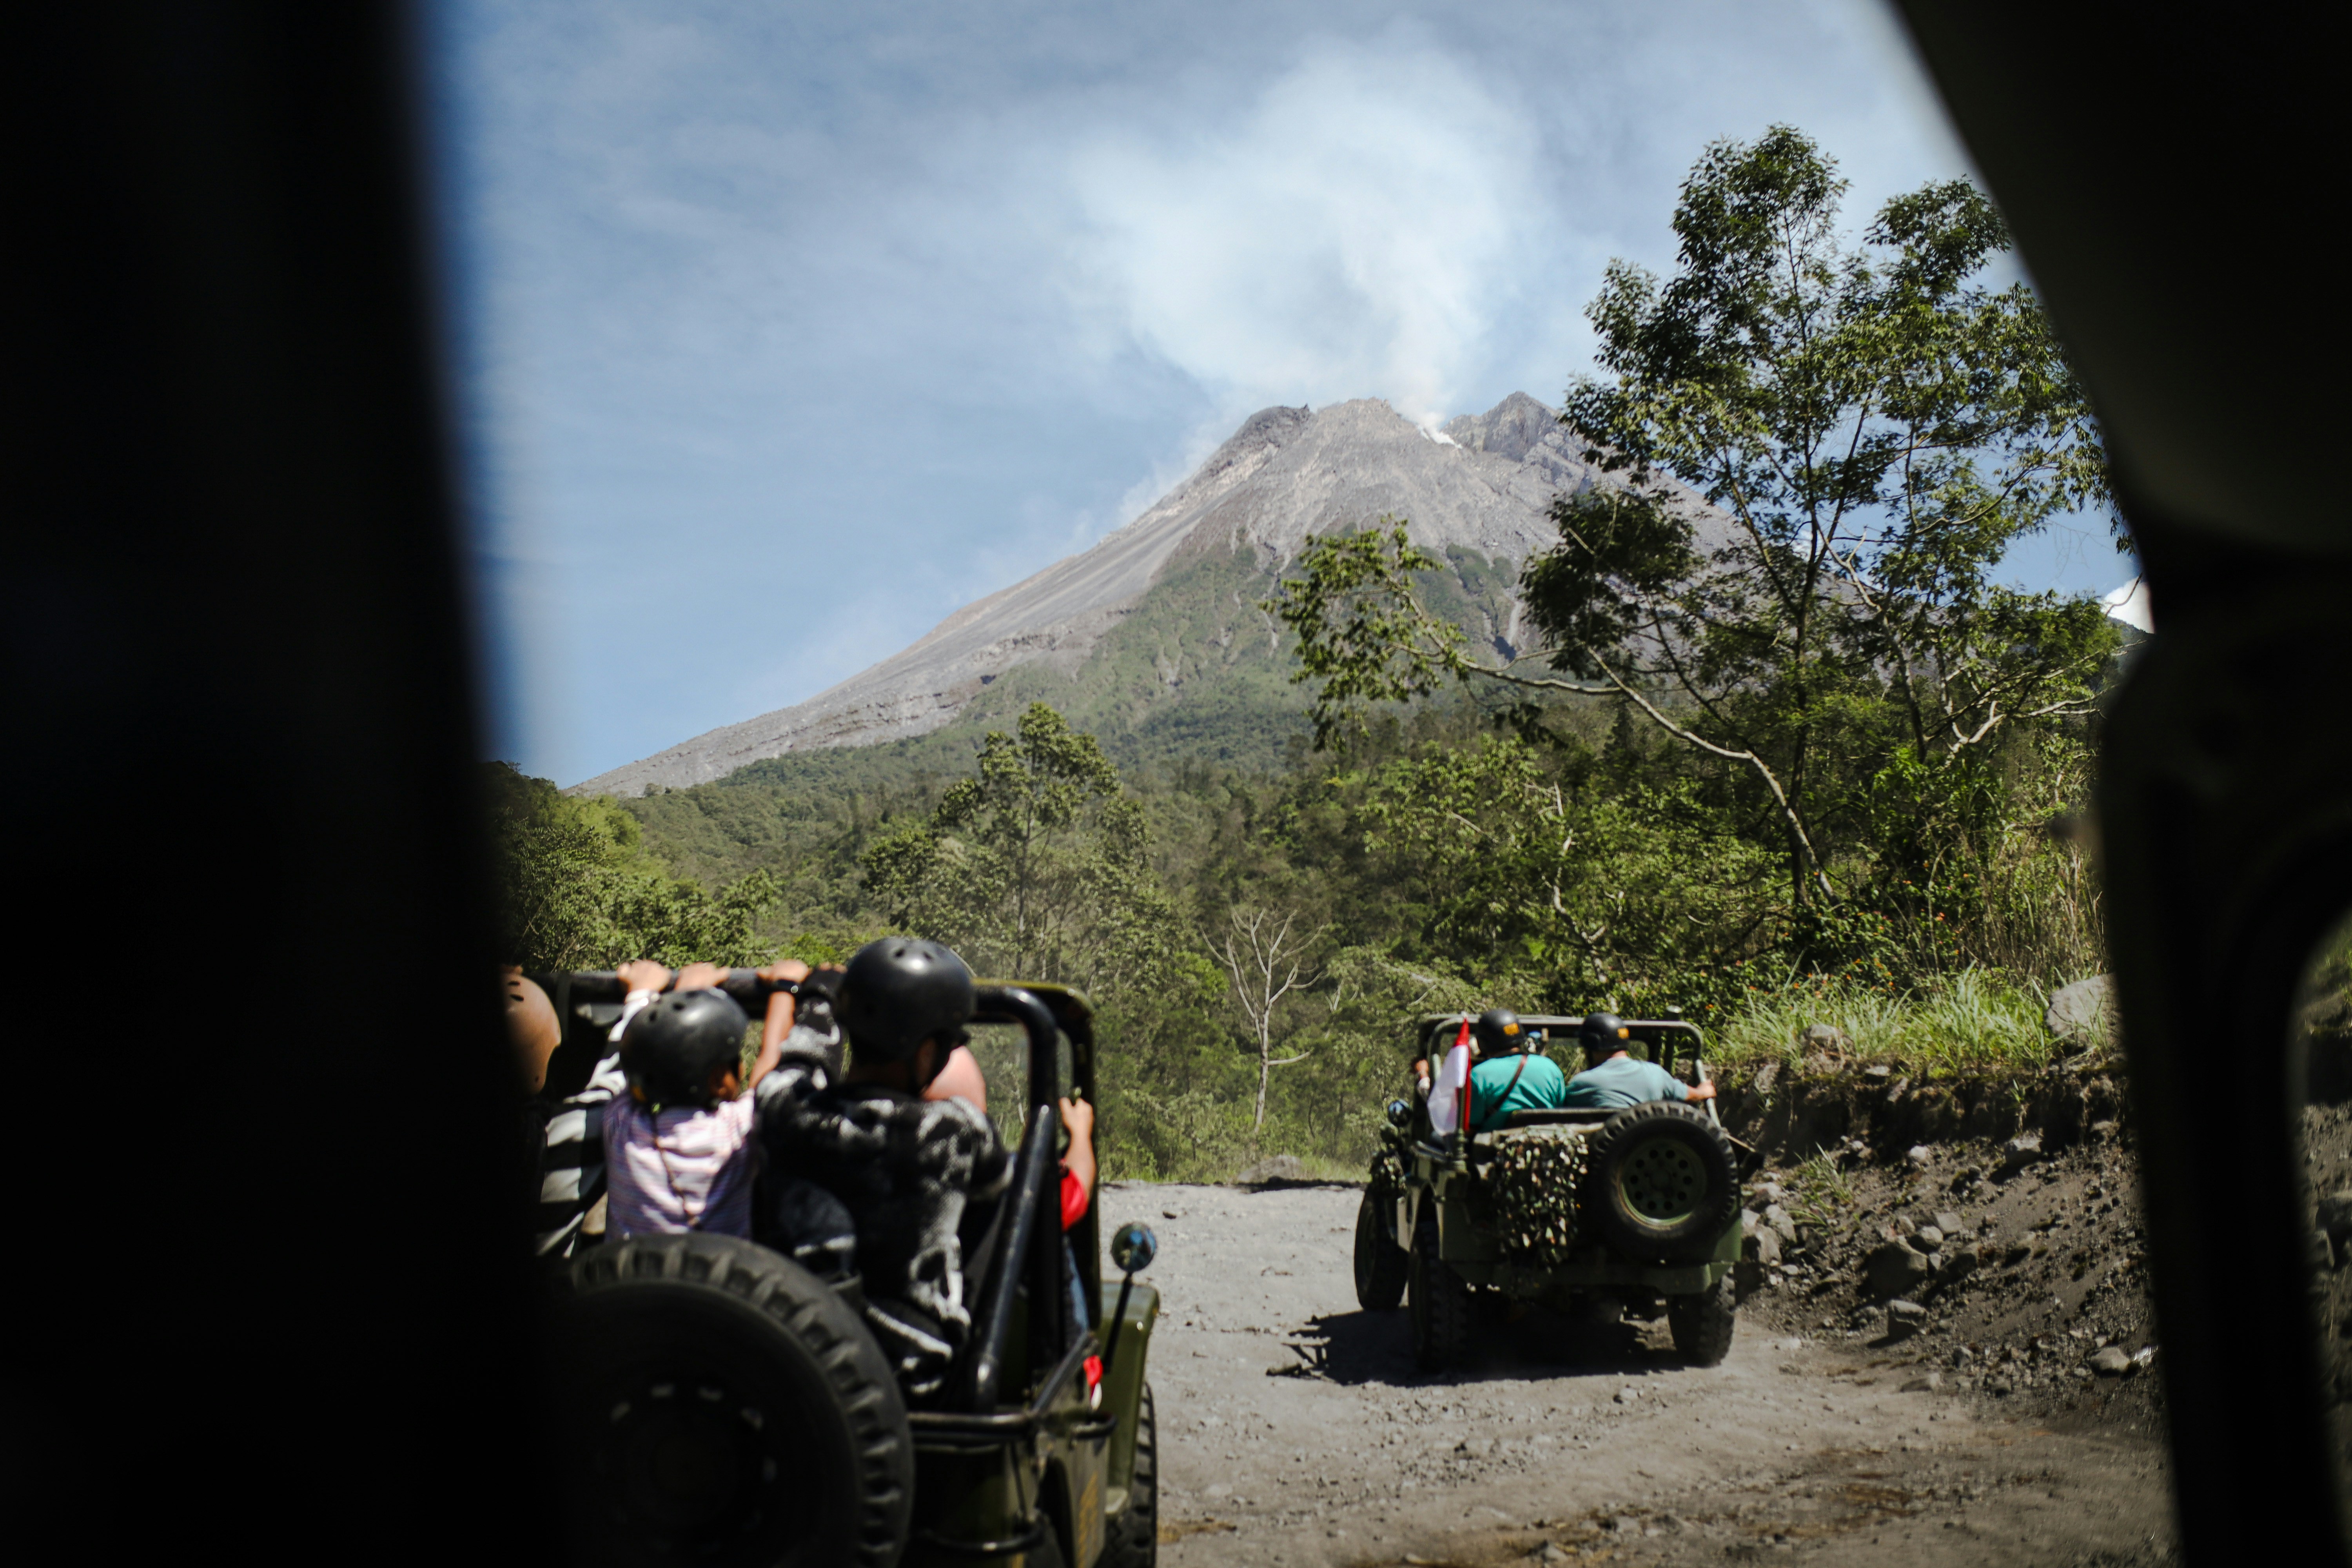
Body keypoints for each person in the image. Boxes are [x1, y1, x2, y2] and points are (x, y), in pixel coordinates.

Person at [756, 936, 1095, 1400]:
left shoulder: (784, 1113)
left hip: (788, 1368)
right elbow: (1005, 1190)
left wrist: (819, 998)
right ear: (925, 1053)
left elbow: (796, 1063)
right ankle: (1075, 1372)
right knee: (1019, 1198)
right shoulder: (955, 1133)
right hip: (913, 1380)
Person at [602, 960, 766, 1238]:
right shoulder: (737, 1133)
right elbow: (769, 1069)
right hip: (719, 1267)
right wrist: (786, 988)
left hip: (631, 1267)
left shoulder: (622, 1129)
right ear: (718, 1081)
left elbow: (629, 1061)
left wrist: (647, 996)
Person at [1560, 1012, 1718, 1109]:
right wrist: (1703, 1091)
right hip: (1648, 1149)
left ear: (1592, 1046)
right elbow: (1689, 1094)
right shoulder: (1656, 1073)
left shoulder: (1580, 1085)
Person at [1465, 1009, 1566, 1130]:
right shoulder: (1551, 1068)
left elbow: (1470, 1127)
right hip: (1547, 1139)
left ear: (1482, 1042)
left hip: (1495, 1142)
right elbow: (1560, 1112)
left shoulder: (1478, 1075)